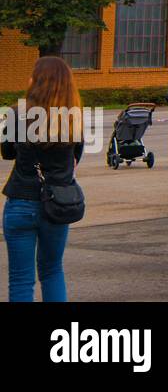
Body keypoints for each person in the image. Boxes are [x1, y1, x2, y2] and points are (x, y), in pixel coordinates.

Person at [2, 57, 84, 302]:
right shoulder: (73, 117)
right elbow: (75, 159)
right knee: (52, 271)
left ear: (37, 81)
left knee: (20, 278)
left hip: (21, 201)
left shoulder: (19, 113)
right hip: (58, 203)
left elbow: (6, 153)